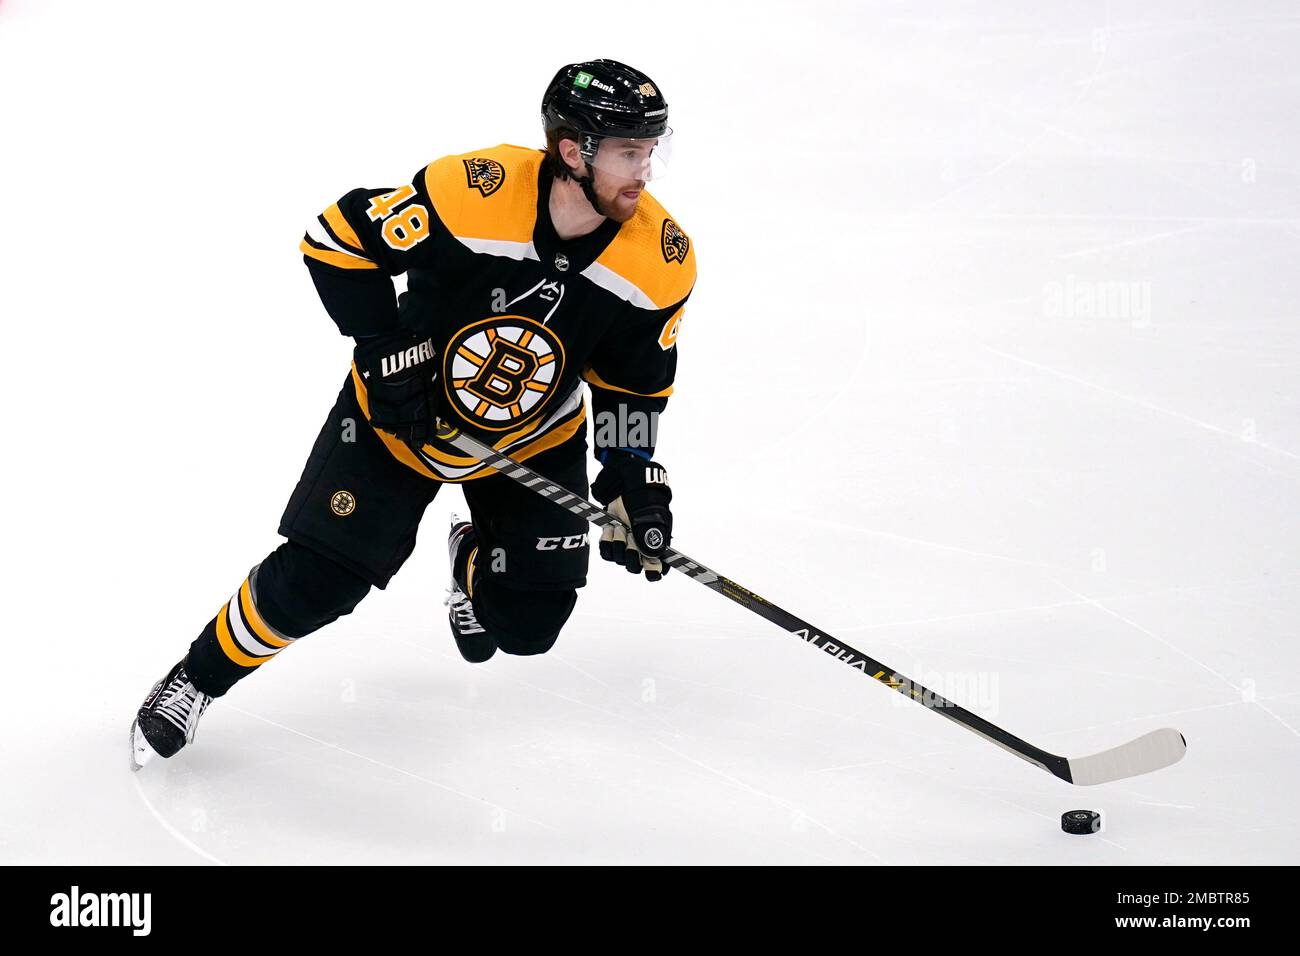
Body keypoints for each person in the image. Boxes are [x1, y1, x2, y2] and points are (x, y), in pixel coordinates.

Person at [129, 59, 696, 770]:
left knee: (526, 625)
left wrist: (630, 479)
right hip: (399, 422)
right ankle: (196, 678)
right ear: (571, 151)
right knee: (316, 583)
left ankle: (468, 559)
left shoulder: (659, 261)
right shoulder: (472, 191)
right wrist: (385, 349)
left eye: (650, 150)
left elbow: (632, 387)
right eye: (627, 152)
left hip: (532, 438)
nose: (643, 172)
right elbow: (336, 242)